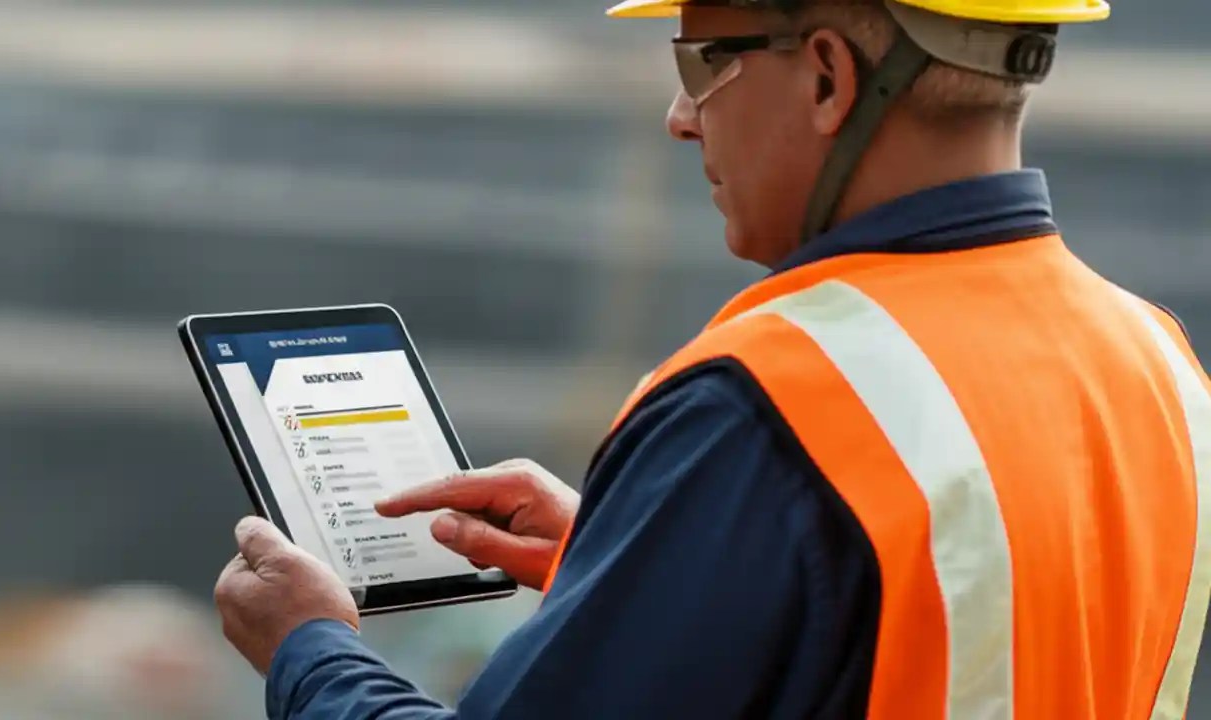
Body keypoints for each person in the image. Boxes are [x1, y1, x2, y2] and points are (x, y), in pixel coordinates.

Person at [215, 0, 1211, 716]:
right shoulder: (1154, 364)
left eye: (700, 62)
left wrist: (310, 650)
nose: (680, 115)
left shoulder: (769, 401)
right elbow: (955, 624)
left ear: (826, 74)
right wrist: (631, 561)